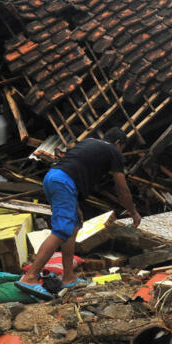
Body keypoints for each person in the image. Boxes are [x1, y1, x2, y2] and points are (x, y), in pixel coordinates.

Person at [16, 127, 141, 299]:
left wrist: (76, 205)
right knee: (61, 231)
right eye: (122, 148)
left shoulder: (89, 142)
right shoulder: (114, 152)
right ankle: (30, 277)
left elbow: (74, 167)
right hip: (63, 183)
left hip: (53, 177)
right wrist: (133, 212)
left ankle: (69, 278)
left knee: (73, 226)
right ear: (119, 143)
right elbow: (122, 189)